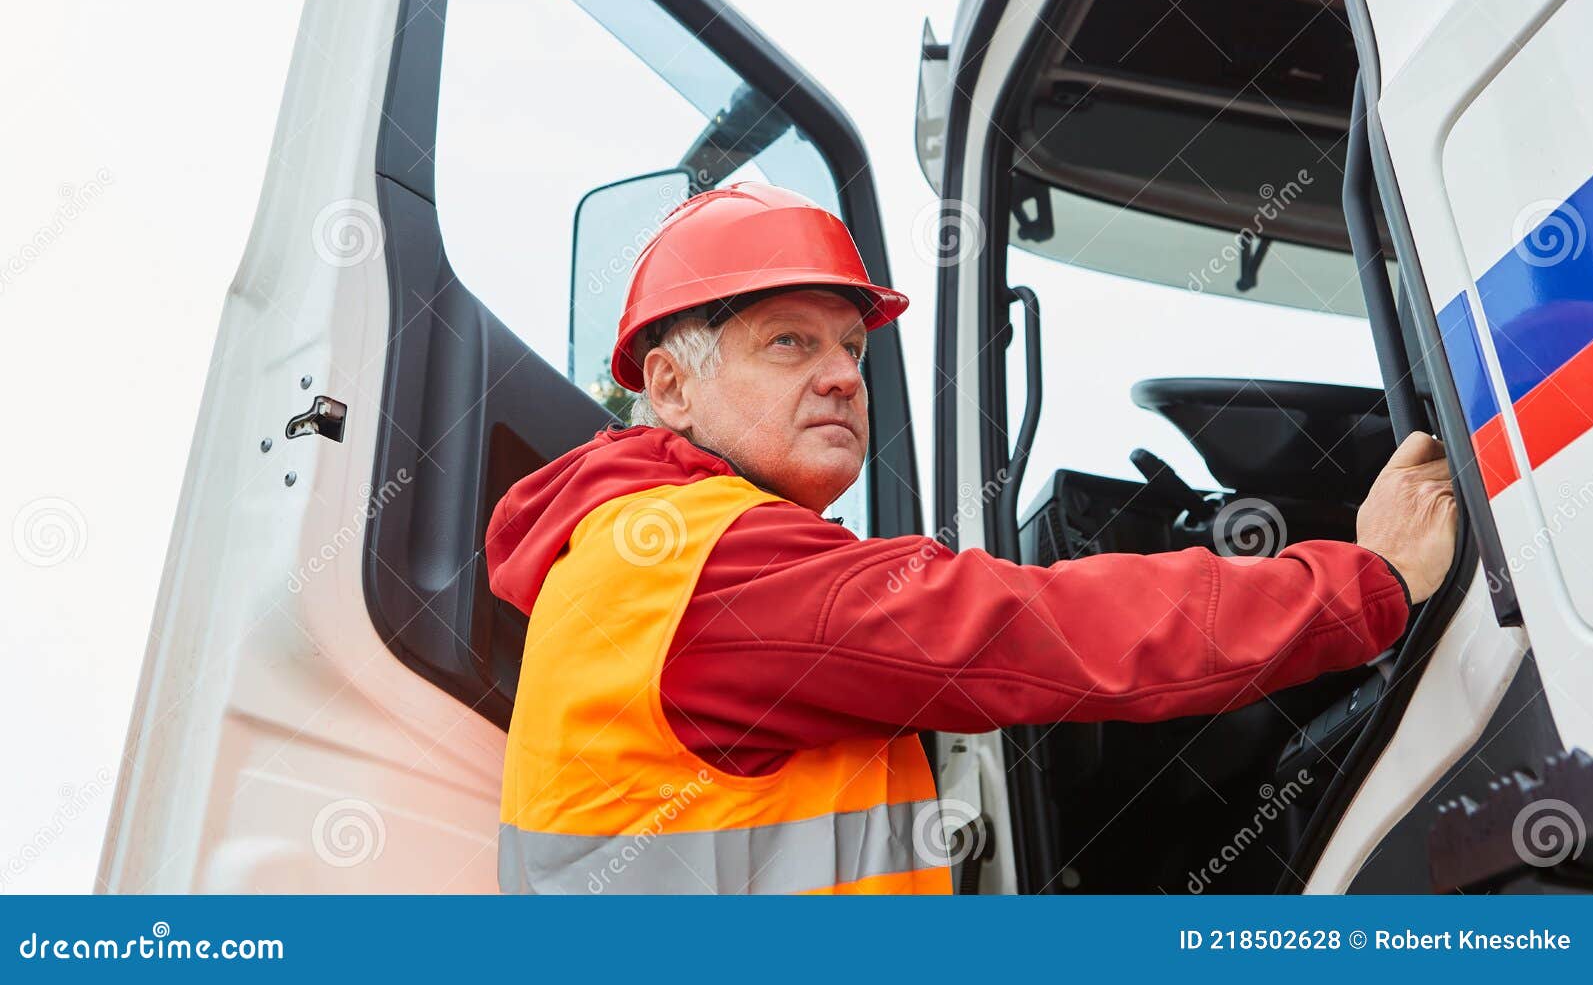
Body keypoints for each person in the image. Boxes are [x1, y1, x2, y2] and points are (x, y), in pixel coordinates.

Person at [487, 183, 1457, 894]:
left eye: (850, 348)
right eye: (789, 340)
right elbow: (1025, 625)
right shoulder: (699, 565)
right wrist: (1359, 581)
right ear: (668, 386)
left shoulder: (641, 549)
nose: (839, 375)